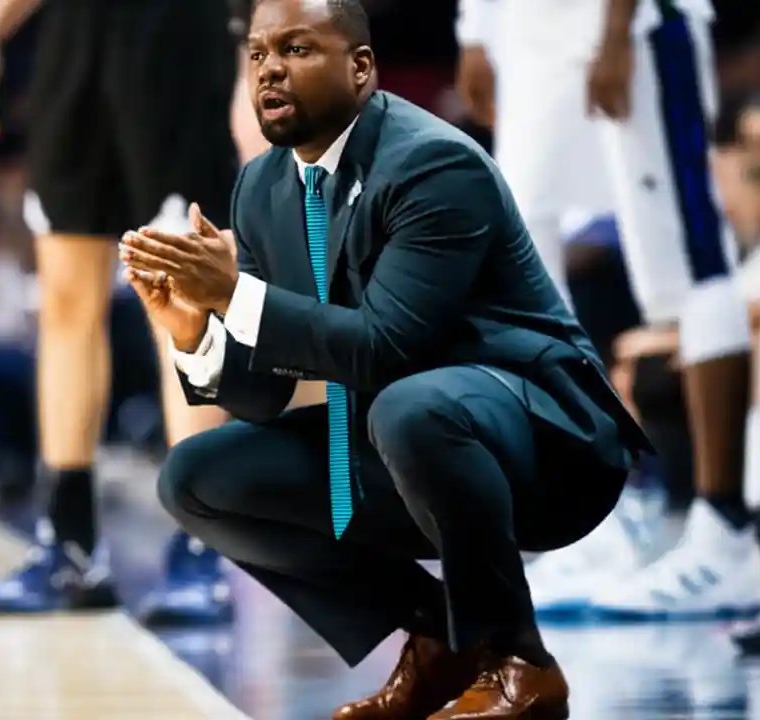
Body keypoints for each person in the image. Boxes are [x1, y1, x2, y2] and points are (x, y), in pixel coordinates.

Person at [118, 0, 650, 716]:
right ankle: (445, 636)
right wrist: (196, 328)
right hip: (406, 439)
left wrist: (237, 293)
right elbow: (261, 398)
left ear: (361, 68)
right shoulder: (263, 186)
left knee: (410, 406)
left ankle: (519, 659)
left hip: (545, 441)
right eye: (259, 54)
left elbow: (386, 345)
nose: (271, 69)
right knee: (197, 476)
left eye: (298, 50)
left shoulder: (432, 163)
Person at [455, 0, 760, 619]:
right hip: (532, 29)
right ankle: (600, 522)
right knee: (526, 252)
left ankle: (724, 535)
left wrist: (619, 26)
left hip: (633, 20)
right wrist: (478, 32)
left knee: (692, 259)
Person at [0, 0, 239, 625]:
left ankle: (202, 548)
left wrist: (258, 54)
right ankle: (68, 546)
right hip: (75, 46)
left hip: (180, 42)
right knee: (63, 298)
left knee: (179, 295)